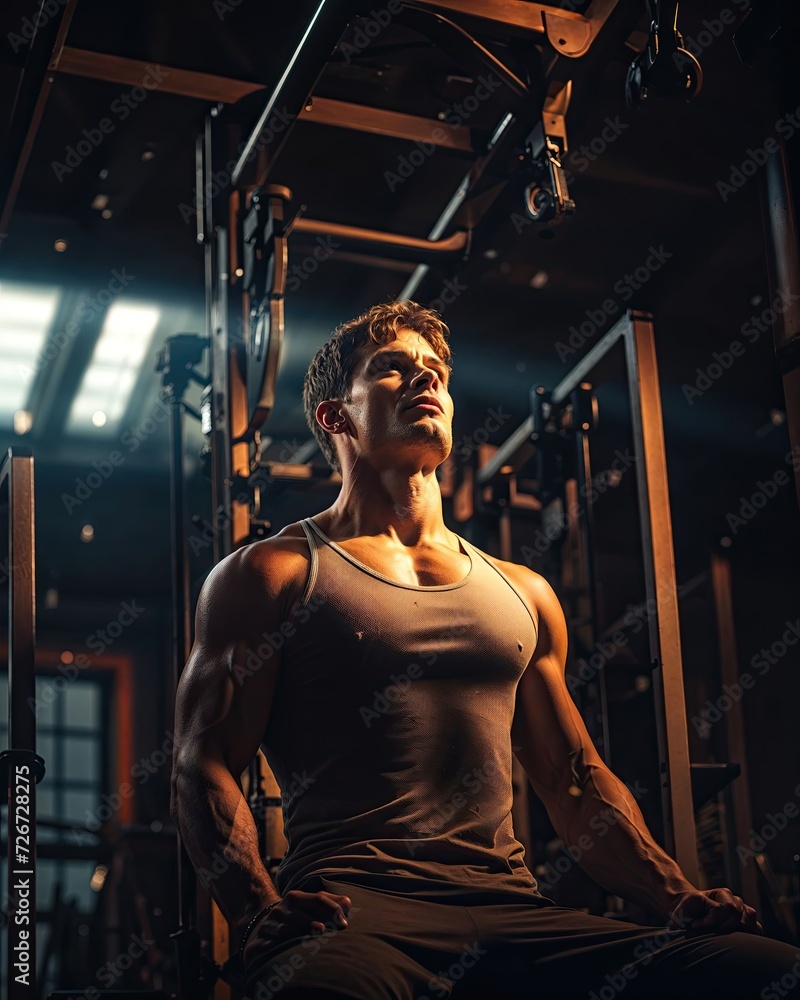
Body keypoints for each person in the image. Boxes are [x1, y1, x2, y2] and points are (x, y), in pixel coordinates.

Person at [171, 300, 799, 999]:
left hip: (518, 916)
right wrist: (258, 911)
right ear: (334, 415)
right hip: (355, 917)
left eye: (436, 371)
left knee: (768, 974)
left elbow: (573, 780)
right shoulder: (271, 572)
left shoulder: (524, 591)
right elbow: (204, 762)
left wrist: (676, 894)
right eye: (393, 369)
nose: (426, 381)